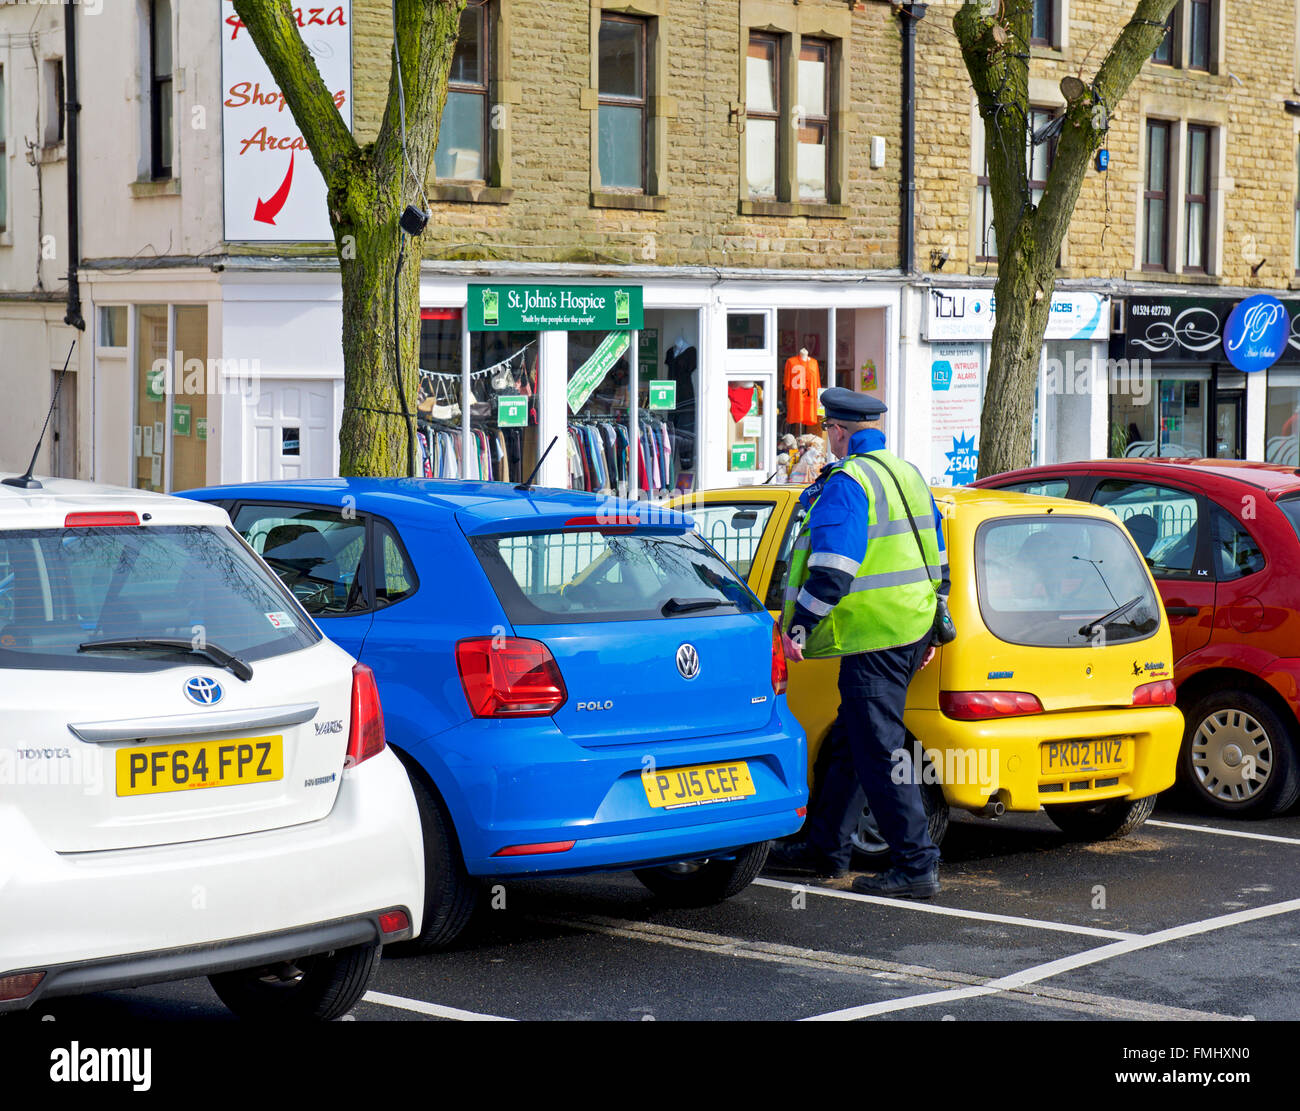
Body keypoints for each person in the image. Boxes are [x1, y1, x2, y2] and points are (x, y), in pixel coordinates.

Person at [767, 387, 949, 899]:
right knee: (852, 738)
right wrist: (935, 621)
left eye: (828, 430)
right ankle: (825, 846)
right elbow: (937, 556)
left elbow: (832, 570)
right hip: (909, 628)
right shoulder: (908, 473)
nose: (828, 439)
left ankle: (916, 863)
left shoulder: (849, 481)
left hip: (876, 635)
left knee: (878, 749)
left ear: (840, 431)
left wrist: (799, 627)